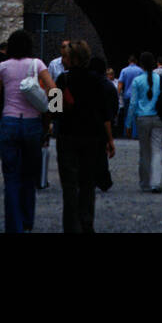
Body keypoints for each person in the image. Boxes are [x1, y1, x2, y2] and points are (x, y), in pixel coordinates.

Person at [0, 27, 57, 233]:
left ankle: (14, 226)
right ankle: (27, 221)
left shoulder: (2, 67)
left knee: (11, 178)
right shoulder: (37, 64)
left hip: (9, 122)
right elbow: (53, 90)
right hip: (32, 124)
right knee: (29, 176)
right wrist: (52, 117)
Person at [54, 40, 115, 233]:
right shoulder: (97, 81)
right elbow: (105, 113)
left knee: (70, 185)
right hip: (92, 137)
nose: (62, 59)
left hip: (68, 136)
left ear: (73, 58)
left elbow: (54, 109)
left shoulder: (62, 80)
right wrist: (110, 139)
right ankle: (87, 223)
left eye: (65, 56)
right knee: (88, 183)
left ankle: (71, 227)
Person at [126, 50, 162, 193]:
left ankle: (145, 182)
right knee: (158, 150)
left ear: (141, 65)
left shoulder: (137, 81)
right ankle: (156, 182)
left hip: (142, 119)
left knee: (144, 152)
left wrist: (128, 123)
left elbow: (133, 104)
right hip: (159, 118)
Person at [116, 52, 142, 138]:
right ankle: (135, 134)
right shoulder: (140, 70)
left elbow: (120, 84)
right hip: (137, 96)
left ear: (129, 61)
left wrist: (117, 95)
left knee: (127, 114)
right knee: (136, 115)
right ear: (136, 61)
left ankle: (126, 133)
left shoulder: (124, 70)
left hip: (127, 95)